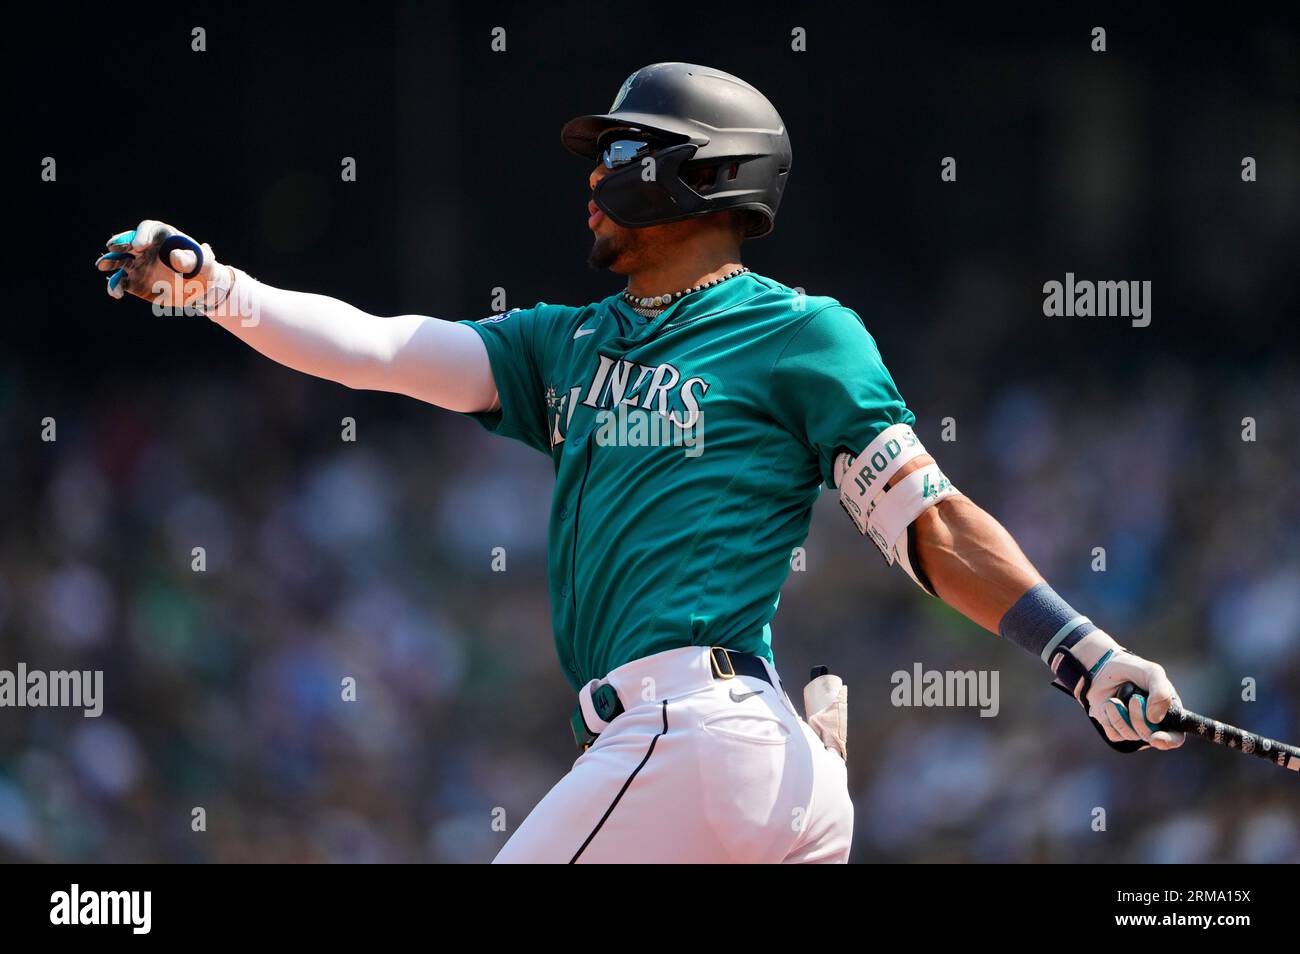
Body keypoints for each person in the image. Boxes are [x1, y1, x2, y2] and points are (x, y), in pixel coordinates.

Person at [95, 62, 1184, 864]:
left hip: (694, 737)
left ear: (700, 175)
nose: (592, 177)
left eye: (618, 154)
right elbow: (381, 350)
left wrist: (1082, 653)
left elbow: (928, 525)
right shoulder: (562, 343)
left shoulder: (798, 334)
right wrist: (218, 289)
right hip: (744, 773)